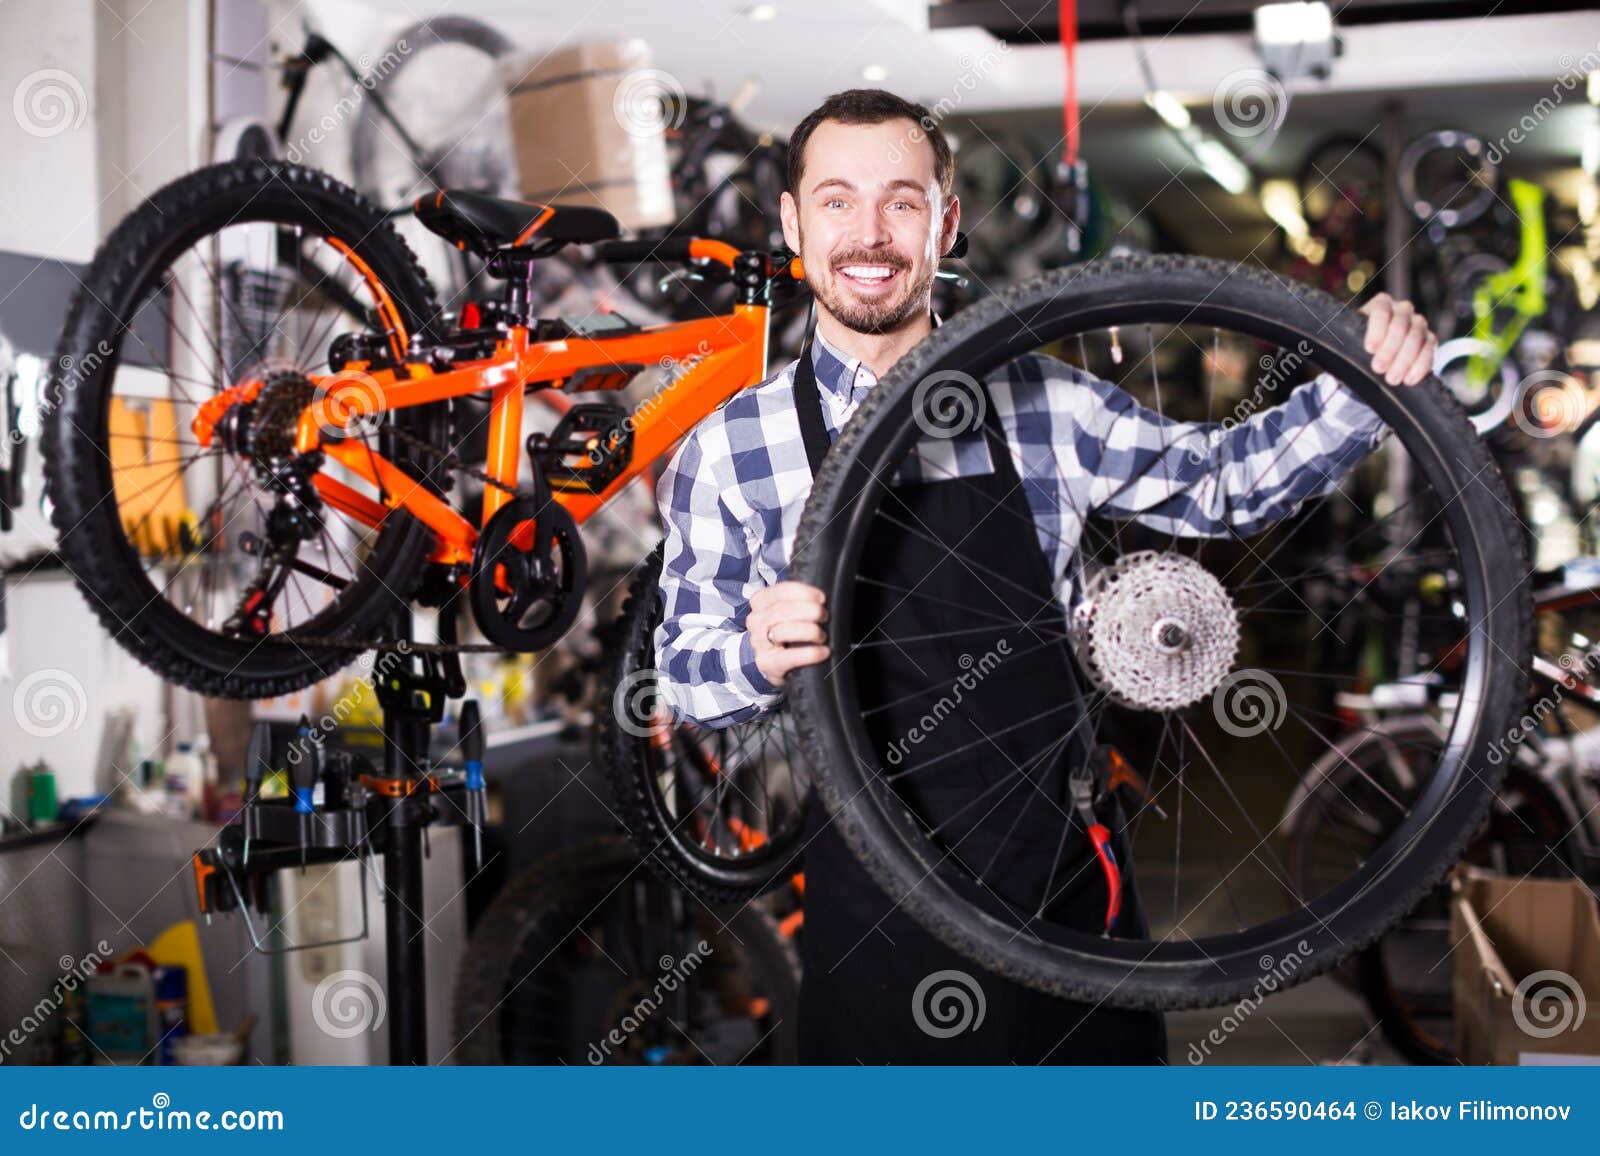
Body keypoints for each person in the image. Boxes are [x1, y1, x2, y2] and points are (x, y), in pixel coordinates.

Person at [651, 89, 1440, 1064]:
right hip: (872, 907)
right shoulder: (730, 450)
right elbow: (685, 676)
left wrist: (1364, 383)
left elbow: (1221, 484)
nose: (869, 233)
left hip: (1063, 893)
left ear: (945, 221)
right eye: (836, 200)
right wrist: (750, 652)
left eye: (901, 201)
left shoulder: (1045, 404)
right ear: (792, 223)